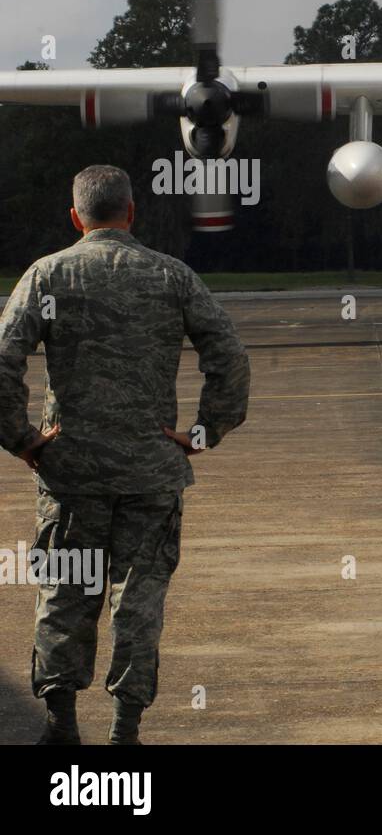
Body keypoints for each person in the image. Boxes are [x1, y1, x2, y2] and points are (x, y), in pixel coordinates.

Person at [0, 165, 250, 744]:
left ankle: (60, 725)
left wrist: (21, 438)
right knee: (138, 600)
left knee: (64, 593)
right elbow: (229, 356)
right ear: (131, 213)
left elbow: (4, 359)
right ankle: (125, 731)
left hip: (70, 475)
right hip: (150, 472)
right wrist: (204, 432)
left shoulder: (47, 276)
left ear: (75, 217)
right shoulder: (172, 276)